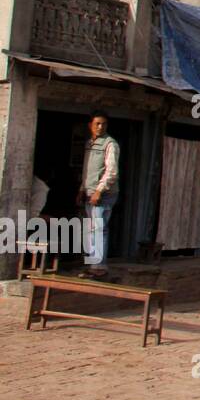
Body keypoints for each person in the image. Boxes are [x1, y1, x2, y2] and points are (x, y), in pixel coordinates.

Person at [77, 112, 119, 279]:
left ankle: (99, 267)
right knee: (92, 229)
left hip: (104, 194)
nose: (100, 127)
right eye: (97, 124)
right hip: (90, 191)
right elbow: (88, 170)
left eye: (104, 124)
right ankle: (93, 264)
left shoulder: (110, 144)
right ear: (90, 125)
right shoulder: (90, 143)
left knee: (99, 229)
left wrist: (99, 191)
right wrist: (82, 189)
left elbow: (112, 171)